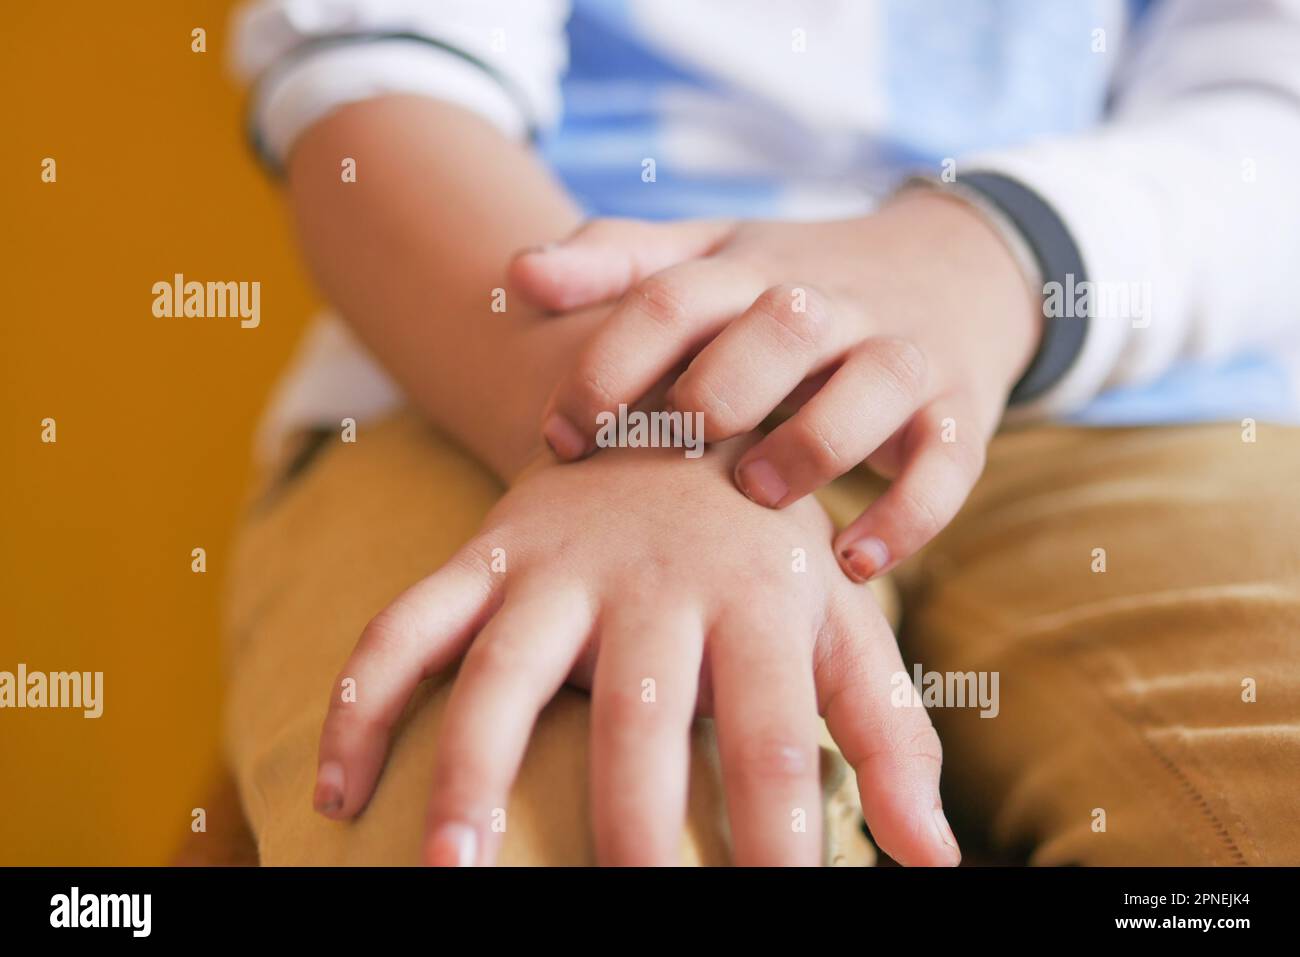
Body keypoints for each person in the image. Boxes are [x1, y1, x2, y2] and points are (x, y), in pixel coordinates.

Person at [221, 0, 1300, 866]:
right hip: (494, 375)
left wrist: (990, 255)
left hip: (1149, 401)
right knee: (537, 822)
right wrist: (631, 429)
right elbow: (378, 77)